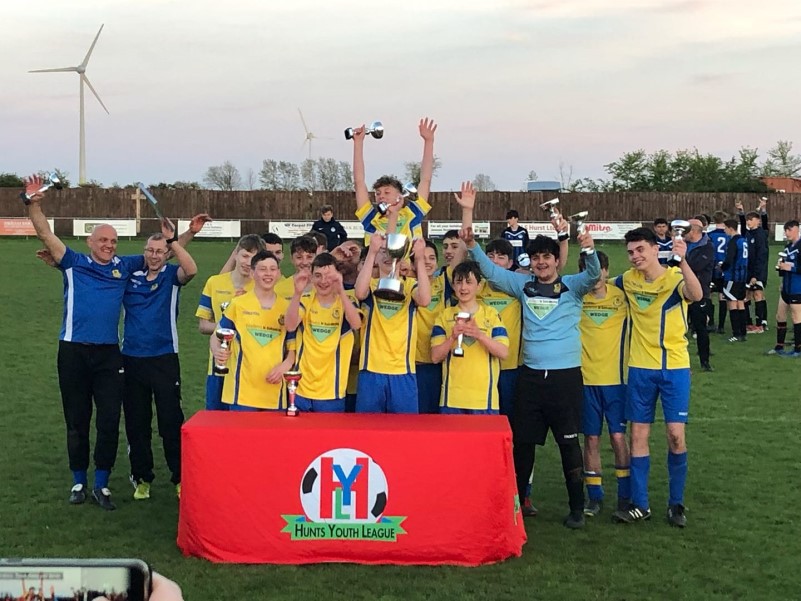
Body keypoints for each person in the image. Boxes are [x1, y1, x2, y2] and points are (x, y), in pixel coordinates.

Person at [457, 183, 600, 529]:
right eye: (536, 258)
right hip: (531, 377)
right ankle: (516, 506)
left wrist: (590, 250)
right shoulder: (523, 286)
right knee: (523, 444)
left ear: (555, 261)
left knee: (569, 445)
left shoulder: (572, 286)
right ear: (531, 262)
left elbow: (594, 275)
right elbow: (491, 273)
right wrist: (473, 243)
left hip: (565, 377)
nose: (541, 263)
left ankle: (577, 508)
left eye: (546, 258)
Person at [24, 174, 146, 510]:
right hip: (73, 352)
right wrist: (33, 204)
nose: (109, 245)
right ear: (90, 242)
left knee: (108, 420)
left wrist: (182, 236)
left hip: (109, 355)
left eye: (114, 241)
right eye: (104, 240)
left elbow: (156, 255)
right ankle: (78, 480)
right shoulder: (73, 263)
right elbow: (45, 233)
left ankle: (102, 483)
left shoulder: (125, 265)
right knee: (77, 420)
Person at [611, 227, 703, 527]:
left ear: (654, 250)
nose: (635, 256)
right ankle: (640, 504)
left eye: (640, 250)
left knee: (676, 437)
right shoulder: (627, 280)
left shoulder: (674, 278)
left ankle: (676, 504)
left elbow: (698, 294)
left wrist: (683, 260)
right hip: (639, 368)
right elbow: (600, 286)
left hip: (674, 367)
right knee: (638, 436)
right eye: (631, 252)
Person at [122, 226, 197, 501]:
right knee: (137, 422)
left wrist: (176, 240)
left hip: (164, 358)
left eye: (160, 251)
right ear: (144, 252)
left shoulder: (171, 276)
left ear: (167, 254)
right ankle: (142, 478)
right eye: (150, 251)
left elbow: (191, 269)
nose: (154, 256)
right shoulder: (131, 276)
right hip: (131, 359)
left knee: (170, 421)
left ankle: (179, 477)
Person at [577, 250, 631, 517]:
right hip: (585, 381)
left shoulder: (623, 296)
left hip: (617, 382)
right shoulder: (576, 298)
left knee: (619, 437)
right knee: (591, 438)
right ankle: (594, 496)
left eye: (600, 269)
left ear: (607, 271)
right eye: (589, 269)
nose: (596, 276)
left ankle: (625, 496)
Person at [354, 234, 430, 413]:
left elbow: (425, 299)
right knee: (368, 431)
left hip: (402, 371)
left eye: (394, 251)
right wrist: (372, 252)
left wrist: (418, 260)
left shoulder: (409, 285)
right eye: (383, 251)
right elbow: (359, 293)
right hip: (371, 369)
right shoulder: (372, 285)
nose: (388, 255)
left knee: (405, 432)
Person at [212, 251, 297, 410]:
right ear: (252, 273)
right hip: (241, 392)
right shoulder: (238, 304)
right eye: (262, 269)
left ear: (278, 274)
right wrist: (217, 351)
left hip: (274, 390)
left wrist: (285, 365)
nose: (268, 274)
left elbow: (292, 346)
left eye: (273, 269)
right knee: (240, 436)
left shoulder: (287, 308)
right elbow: (217, 335)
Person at [284, 253, 362, 412]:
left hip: (332, 391)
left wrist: (341, 291)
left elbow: (356, 324)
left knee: (328, 437)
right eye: (318, 276)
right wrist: (297, 293)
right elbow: (290, 325)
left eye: (329, 276)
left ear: (338, 276)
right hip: (302, 388)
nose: (323, 281)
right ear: (311, 278)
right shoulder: (305, 300)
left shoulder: (348, 302)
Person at [196, 234, 265, 410]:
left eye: (253, 258)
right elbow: (203, 325)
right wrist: (225, 329)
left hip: (248, 368)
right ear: (235, 254)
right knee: (215, 420)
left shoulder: (263, 288)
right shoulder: (215, 282)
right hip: (219, 364)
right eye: (244, 255)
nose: (247, 262)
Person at [430, 260, 509, 413]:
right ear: (453, 286)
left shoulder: (491, 315)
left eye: (469, 282)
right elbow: (434, 357)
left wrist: (479, 335)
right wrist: (452, 337)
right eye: (458, 282)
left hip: (484, 400)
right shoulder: (444, 316)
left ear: (479, 286)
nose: (463, 287)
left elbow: (503, 352)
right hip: (452, 400)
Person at [352, 118, 437, 241]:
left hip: (407, 261)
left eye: (387, 192)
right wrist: (358, 143)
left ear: (399, 194)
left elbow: (425, 180)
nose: (381, 196)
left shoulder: (412, 212)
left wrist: (429, 141)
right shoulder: (370, 216)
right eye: (378, 193)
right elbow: (359, 182)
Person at [480, 239, 522, 417]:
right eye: (490, 256)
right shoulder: (475, 287)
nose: (495, 261)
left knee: (509, 420)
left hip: (510, 368)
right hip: (481, 365)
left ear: (510, 263)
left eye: (501, 257)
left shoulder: (519, 288)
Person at [414, 239, 445, 414]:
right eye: (422, 257)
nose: (427, 262)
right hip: (414, 364)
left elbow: (460, 253)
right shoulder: (408, 284)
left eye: (432, 258)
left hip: (439, 364)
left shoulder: (445, 283)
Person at [683, 219, 715, 371]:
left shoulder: (707, 247)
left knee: (701, 328)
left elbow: (696, 266)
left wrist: (681, 260)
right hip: (681, 290)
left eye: (686, 230)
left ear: (693, 231)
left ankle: (705, 361)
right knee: (679, 328)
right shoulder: (684, 244)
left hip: (700, 292)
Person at [737, 199, 770, 332]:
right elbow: (743, 226)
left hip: (758, 271)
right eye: (747, 220)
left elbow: (761, 257)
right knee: (746, 296)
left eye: (751, 219)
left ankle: (760, 324)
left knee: (758, 294)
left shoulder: (761, 234)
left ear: (758, 221)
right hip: (747, 270)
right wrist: (741, 211)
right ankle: (749, 322)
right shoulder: (747, 234)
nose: (748, 222)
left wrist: (756, 275)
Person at [721, 218, 749, 343]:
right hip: (742, 277)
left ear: (730, 228)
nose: (725, 231)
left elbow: (729, 259)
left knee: (732, 303)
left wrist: (722, 267)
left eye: (725, 228)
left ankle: (736, 333)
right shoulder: (743, 240)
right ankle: (743, 332)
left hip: (732, 276)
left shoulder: (733, 241)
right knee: (740, 302)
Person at [775, 220, 801, 357]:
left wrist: (790, 268)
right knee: (780, 315)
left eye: (789, 230)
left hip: (798, 288)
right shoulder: (787, 247)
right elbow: (785, 267)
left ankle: (798, 349)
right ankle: (779, 346)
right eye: (785, 230)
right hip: (786, 287)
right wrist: (781, 267)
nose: (786, 233)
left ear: (796, 229)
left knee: (797, 317)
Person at [707, 211, 730, 333]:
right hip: (724, 269)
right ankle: (721, 326)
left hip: (711, 268)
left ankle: (710, 322)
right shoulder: (729, 235)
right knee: (722, 296)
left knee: (709, 295)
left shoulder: (709, 235)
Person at [274, 235, 317, 300]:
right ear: (292, 259)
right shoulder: (280, 289)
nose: (304, 262)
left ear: (316, 258)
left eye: (309, 257)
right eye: (299, 257)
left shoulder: (326, 286)